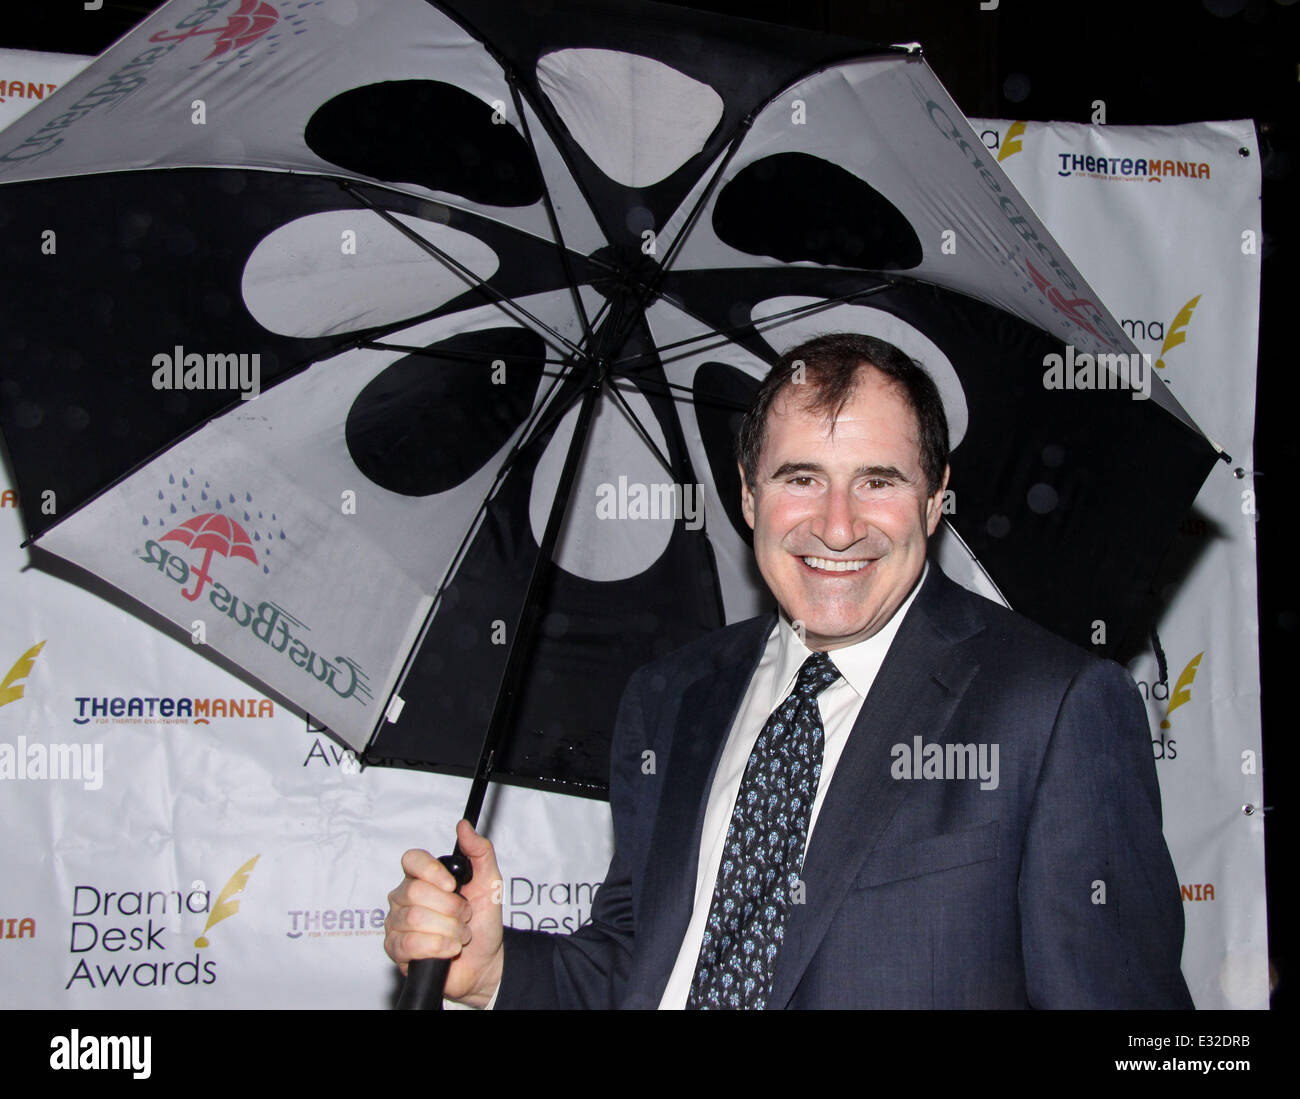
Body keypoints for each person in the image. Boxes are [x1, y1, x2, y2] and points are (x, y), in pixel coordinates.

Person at [384, 332, 1193, 1009]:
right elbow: (642, 960)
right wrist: (492, 969)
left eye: (878, 481)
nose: (837, 526)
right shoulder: (670, 696)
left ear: (936, 499)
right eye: (800, 477)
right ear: (746, 495)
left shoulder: (1055, 707)